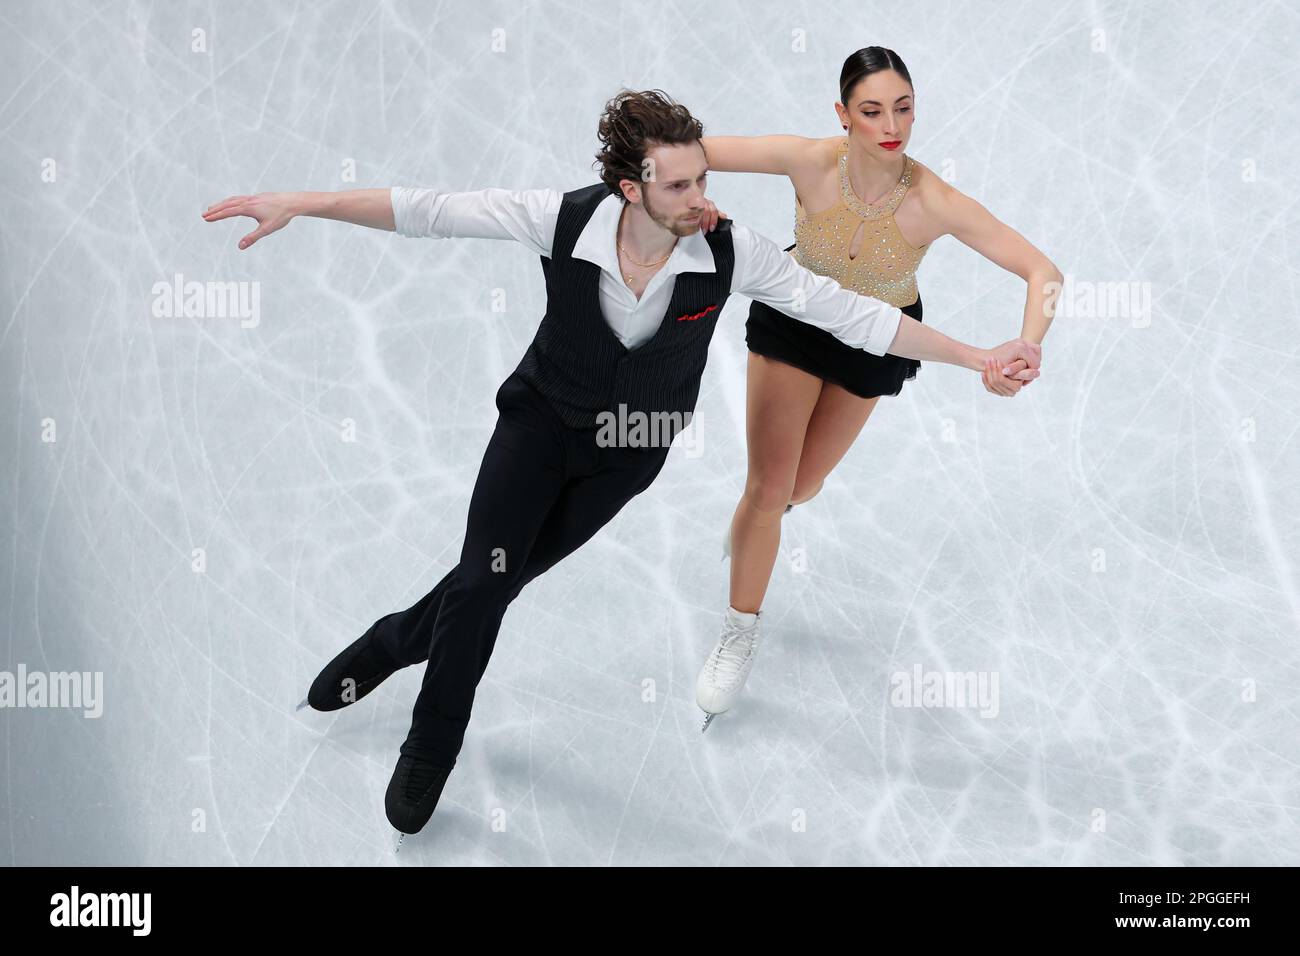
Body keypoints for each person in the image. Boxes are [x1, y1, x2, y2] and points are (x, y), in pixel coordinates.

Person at [201, 88, 1041, 838]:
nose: (701, 201)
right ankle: (430, 747)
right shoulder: (561, 217)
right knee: (488, 581)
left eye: (703, 181)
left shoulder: (729, 250)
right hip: (538, 424)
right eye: (679, 186)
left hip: (630, 452)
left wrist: (976, 355)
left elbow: (855, 318)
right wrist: (302, 204)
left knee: (498, 577)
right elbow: (423, 209)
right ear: (629, 187)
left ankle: (393, 639)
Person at [689, 47, 1061, 729]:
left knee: (798, 488)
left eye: (903, 107)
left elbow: (1043, 270)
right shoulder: (807, 159)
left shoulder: (934, 200)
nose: (891, 124)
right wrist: (690, 194)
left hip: (880, 340)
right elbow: (690, 151)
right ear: (843, 115)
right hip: (796, 319)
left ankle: (754, 529)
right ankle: (739, 630)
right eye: (871, 110)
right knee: (768, 490)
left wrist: (1028, 343)